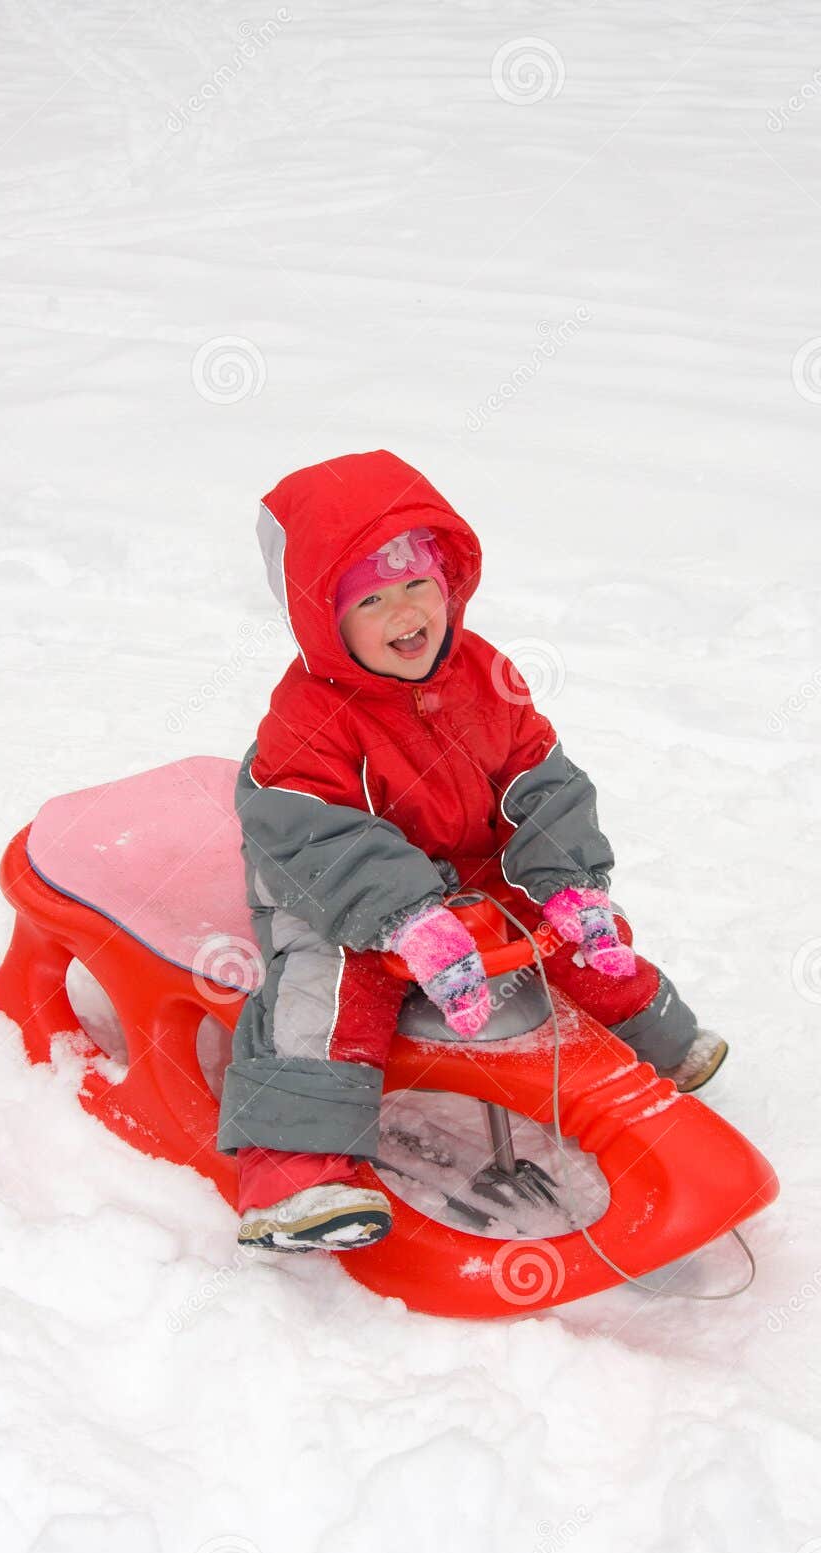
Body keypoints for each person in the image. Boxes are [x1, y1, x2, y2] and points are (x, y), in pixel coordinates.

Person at [217, 449, 726, 1254]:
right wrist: (406, 919)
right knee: (328, 990)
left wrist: (568, 882)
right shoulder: (308, 719)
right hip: (338, 895)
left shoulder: (484, 674)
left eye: (418, 584)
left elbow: (540, 777)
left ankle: (664, 1042)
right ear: (324, 618)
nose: (405, 613)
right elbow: (312, 833)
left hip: (469, 873)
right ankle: (294, 1179)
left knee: (579, 937)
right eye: (372, 599)